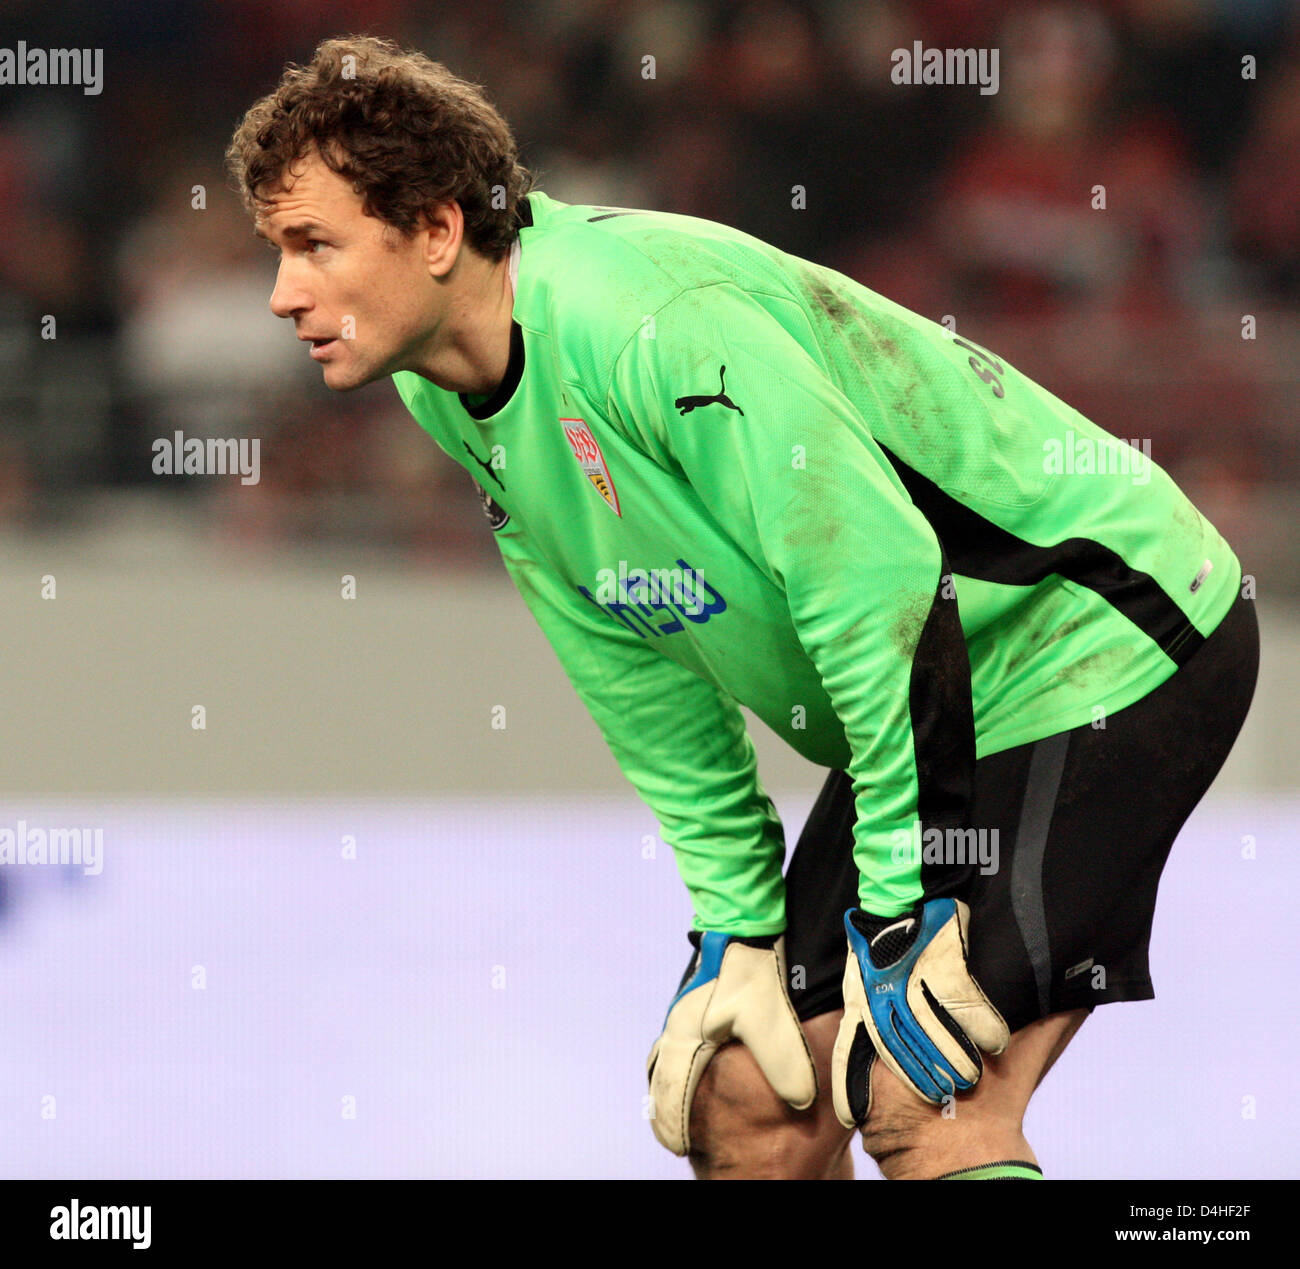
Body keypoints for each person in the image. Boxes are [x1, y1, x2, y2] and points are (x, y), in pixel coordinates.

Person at [226, 35, 1259, 1180]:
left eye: (313, 244)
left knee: (922, 1097)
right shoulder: (442, 386)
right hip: (951, 685)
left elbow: (878, 594)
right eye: (278, 249)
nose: (283, 293)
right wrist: (737, 924)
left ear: (434, 231)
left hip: (1101, 634)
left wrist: (900, 897)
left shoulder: (653, 323)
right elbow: (629, 646)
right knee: (747, 1098)